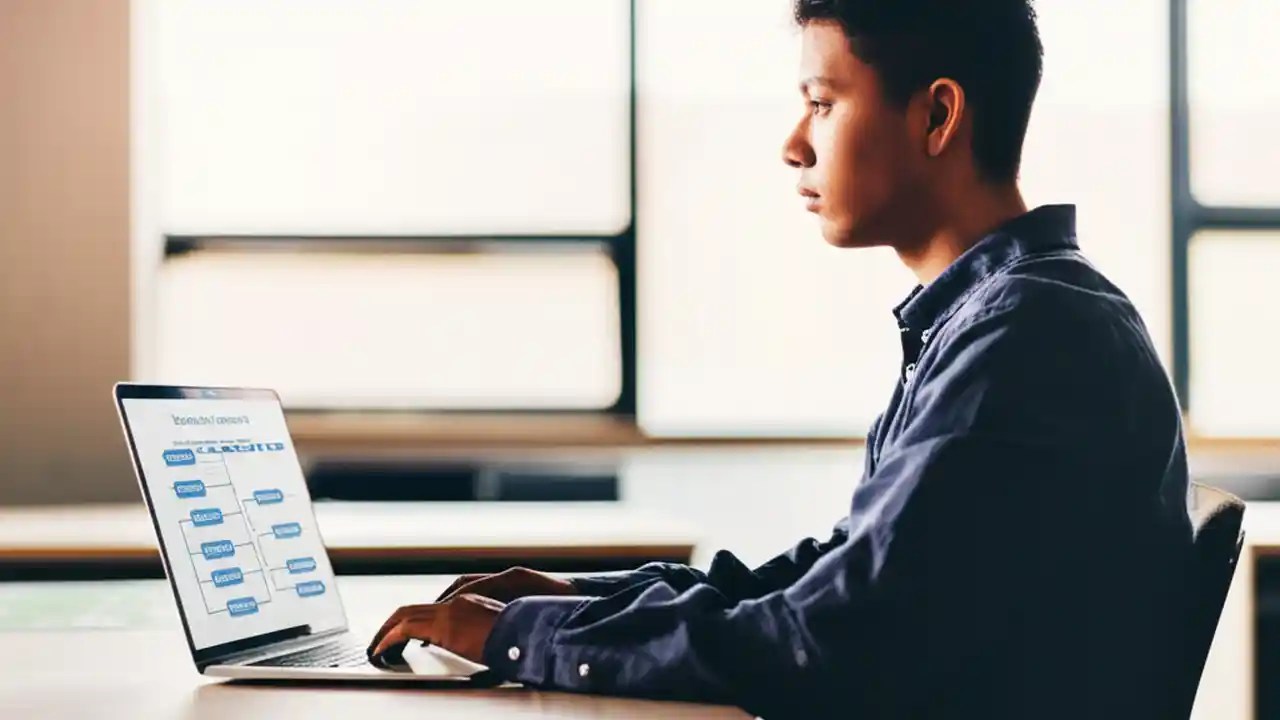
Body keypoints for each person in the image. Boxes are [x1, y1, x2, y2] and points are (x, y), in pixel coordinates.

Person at [369, 1, 1194, 716]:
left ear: (938, 116)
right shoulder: (1011, 314)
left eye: (823, 103)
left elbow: (819, 646)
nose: (794, 145)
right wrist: (590, 599)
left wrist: (520, 638)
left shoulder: (1026, 338)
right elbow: (831, 580)